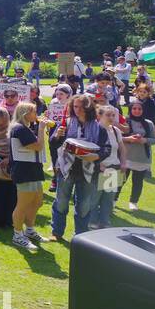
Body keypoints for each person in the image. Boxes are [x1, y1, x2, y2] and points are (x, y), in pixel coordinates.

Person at [48, 94, 106, 241]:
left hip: (88, 170)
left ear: (88, 108)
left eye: (81, 107)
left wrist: (97, 156)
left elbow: (107, 149)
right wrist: (57, 136)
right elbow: (53, 144)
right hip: (66, 168)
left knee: (84, 205)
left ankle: (80, 236)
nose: (78, 110)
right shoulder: (66, 123)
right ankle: (57, 232)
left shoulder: (99, 127)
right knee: (61, 201)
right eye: (75, 107)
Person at [8, 103, 47, 251]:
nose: (37, 114)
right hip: (24, 171)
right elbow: (38, 146)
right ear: (25, 114)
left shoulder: (24, 128)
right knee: (23, 205)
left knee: (37, 201)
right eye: (34, 112)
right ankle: (18, 235)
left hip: (33, 169)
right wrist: (42, 129)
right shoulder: (19, 129)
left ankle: (29, 230)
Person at [120, 98, 155, 213]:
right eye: (134, 109)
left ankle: (133, 202)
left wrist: (144, 140)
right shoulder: (124, 122)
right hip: (125, 157)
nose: (137, 111)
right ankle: (113, 200)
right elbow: (116, 138)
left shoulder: (148, 123)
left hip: (141, 158)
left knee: (137, 182)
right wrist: (129, 139)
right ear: (130, 109)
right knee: (119, 180)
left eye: (139, 109)